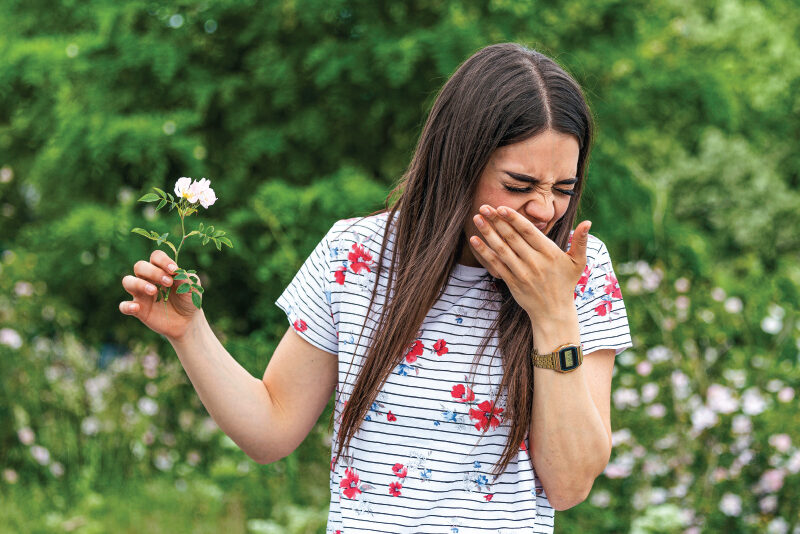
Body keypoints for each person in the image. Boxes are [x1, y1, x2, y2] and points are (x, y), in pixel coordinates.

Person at [120, 42, 632, 533]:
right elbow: (271, 428)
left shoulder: (582, 271)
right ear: (458, 165)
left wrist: (552, 315)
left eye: (563, 188)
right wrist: (190, 333)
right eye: (519, 186)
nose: (545, 210)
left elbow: (569, 486)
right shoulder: (357, 254)